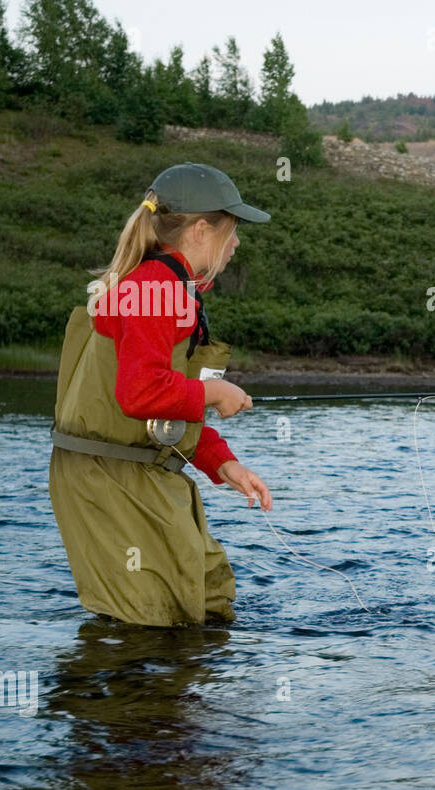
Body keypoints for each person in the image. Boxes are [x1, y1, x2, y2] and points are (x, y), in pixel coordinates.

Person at [49, 162, 273, 627]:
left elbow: (165, 409)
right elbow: (141, 392)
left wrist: (221, 462)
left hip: (135, 470)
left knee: (207, 601)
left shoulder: (168, 287)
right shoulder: (154, 288)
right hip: (112, 477)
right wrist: (214, 390)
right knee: (152, 622)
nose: (237, 243)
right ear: (200, 229)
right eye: (232, 230)